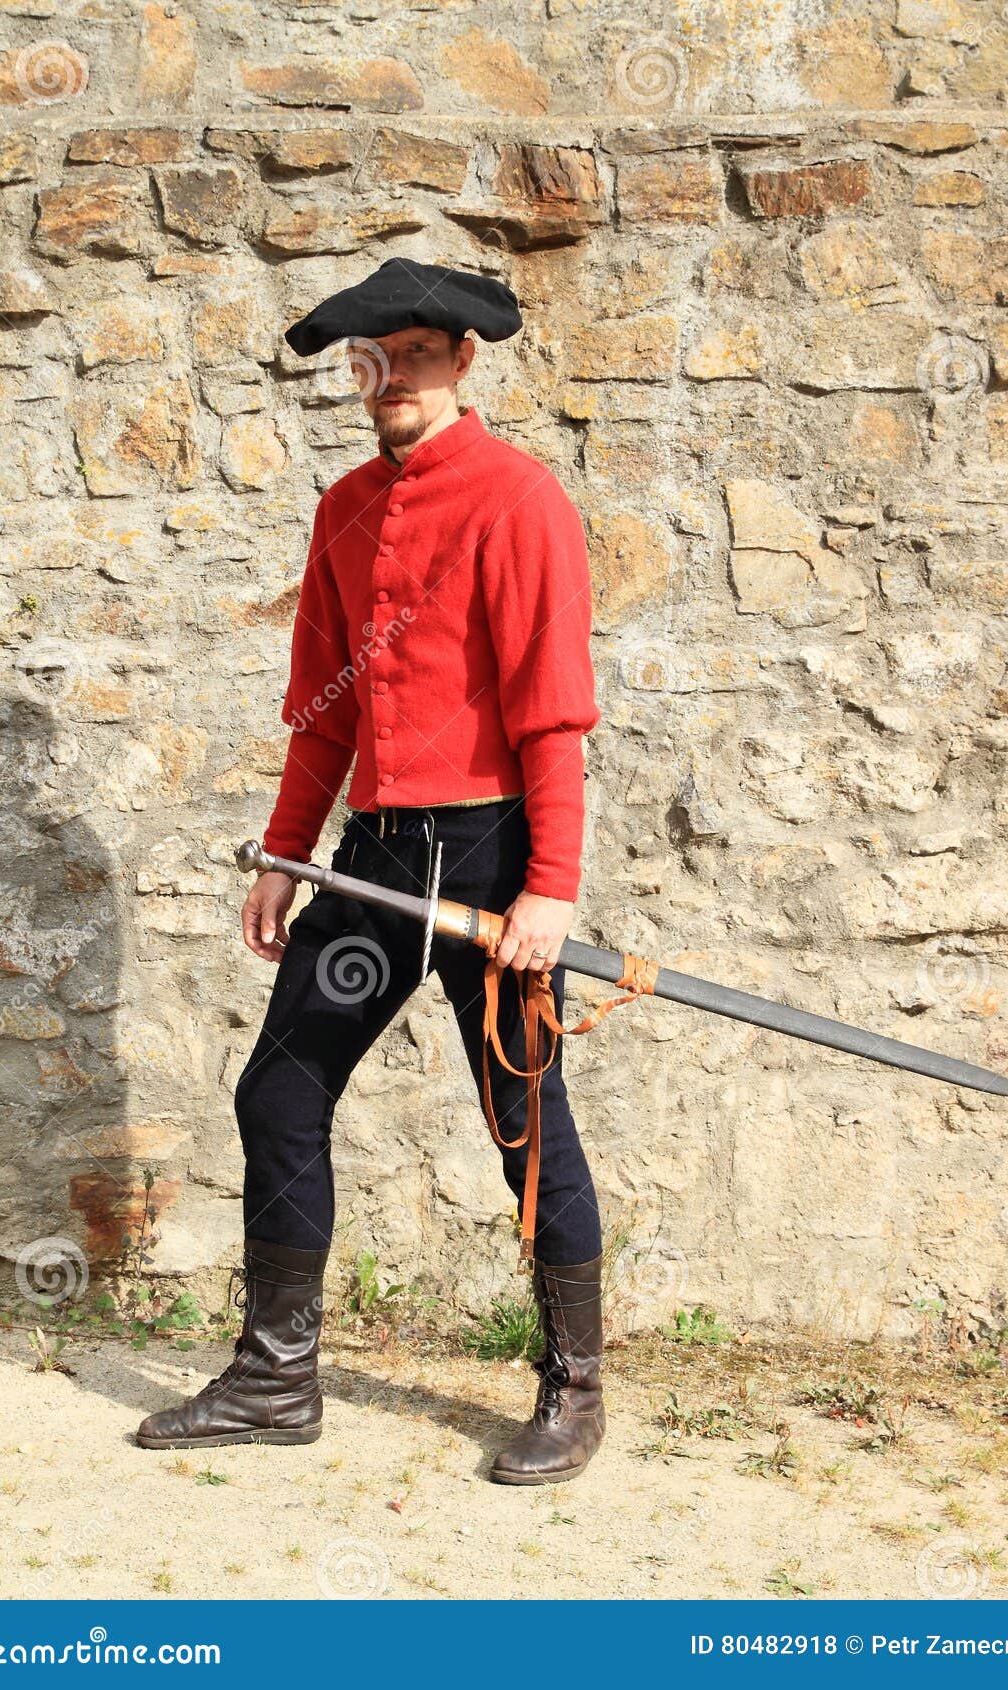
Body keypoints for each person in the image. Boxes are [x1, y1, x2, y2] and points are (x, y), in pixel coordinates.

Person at [135, 258, 606, 1484]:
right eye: (367, 361)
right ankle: (275, 1376)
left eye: (406, 356)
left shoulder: (519, 500)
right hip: (379, 858)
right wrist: (288, 855)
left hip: (492, 853)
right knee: (277, 1092)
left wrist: (549, 889)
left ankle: (573, 1388)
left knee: (524, 1121)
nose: (384, 379)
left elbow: (551, 716)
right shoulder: (344, 507)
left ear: (458, 359)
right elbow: (324, 716)